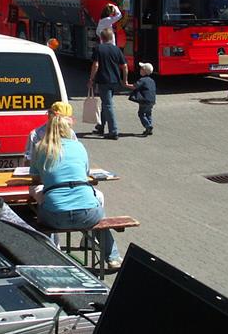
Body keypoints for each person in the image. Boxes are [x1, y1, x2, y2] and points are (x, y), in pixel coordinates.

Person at [29, 104, 121, 269]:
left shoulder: (40, 147)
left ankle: (51, 257)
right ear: (68, 126)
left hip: (55, 216)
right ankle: (112, 256)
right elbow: (85, 173)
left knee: (43, 205)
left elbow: (35, 176)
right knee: (97, 204)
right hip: (88, 215)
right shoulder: (79, 146)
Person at [87, 28, 128, 140]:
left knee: (108, 105)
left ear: (101, 38)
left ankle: (113, 131)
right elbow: (124, 66)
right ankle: (100, 127)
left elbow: (95, 65)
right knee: (106, 103)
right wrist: (125, 80)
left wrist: (91, 79)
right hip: (115, 81)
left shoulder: (98, 48)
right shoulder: (117, 50)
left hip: (103, 80)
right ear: (111, 37)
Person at [126, 62, 157, 136]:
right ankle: (148, 129)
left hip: (144, 100)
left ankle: (148, 126)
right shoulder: (152, 80)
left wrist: (126, 85)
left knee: (141, 114)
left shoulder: (142, 80)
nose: (140, 70)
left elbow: (134, 86)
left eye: (141, 68)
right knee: (148, 114)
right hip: (152, 100)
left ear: (144, 71)